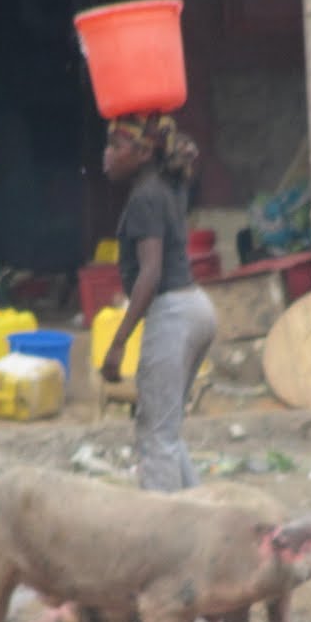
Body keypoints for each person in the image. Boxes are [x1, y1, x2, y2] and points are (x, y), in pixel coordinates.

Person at [99, 113, 218, 492]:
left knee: (155, 438)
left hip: (173, 314)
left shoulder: (145, 197)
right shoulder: (166, 184)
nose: (107, 156)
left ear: (143, 151)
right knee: (167, 432)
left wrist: (118, 343)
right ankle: (200, 517)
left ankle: (163, 533)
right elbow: (184, 165)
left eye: (116, 147)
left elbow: (150, 273)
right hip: (197, 307)